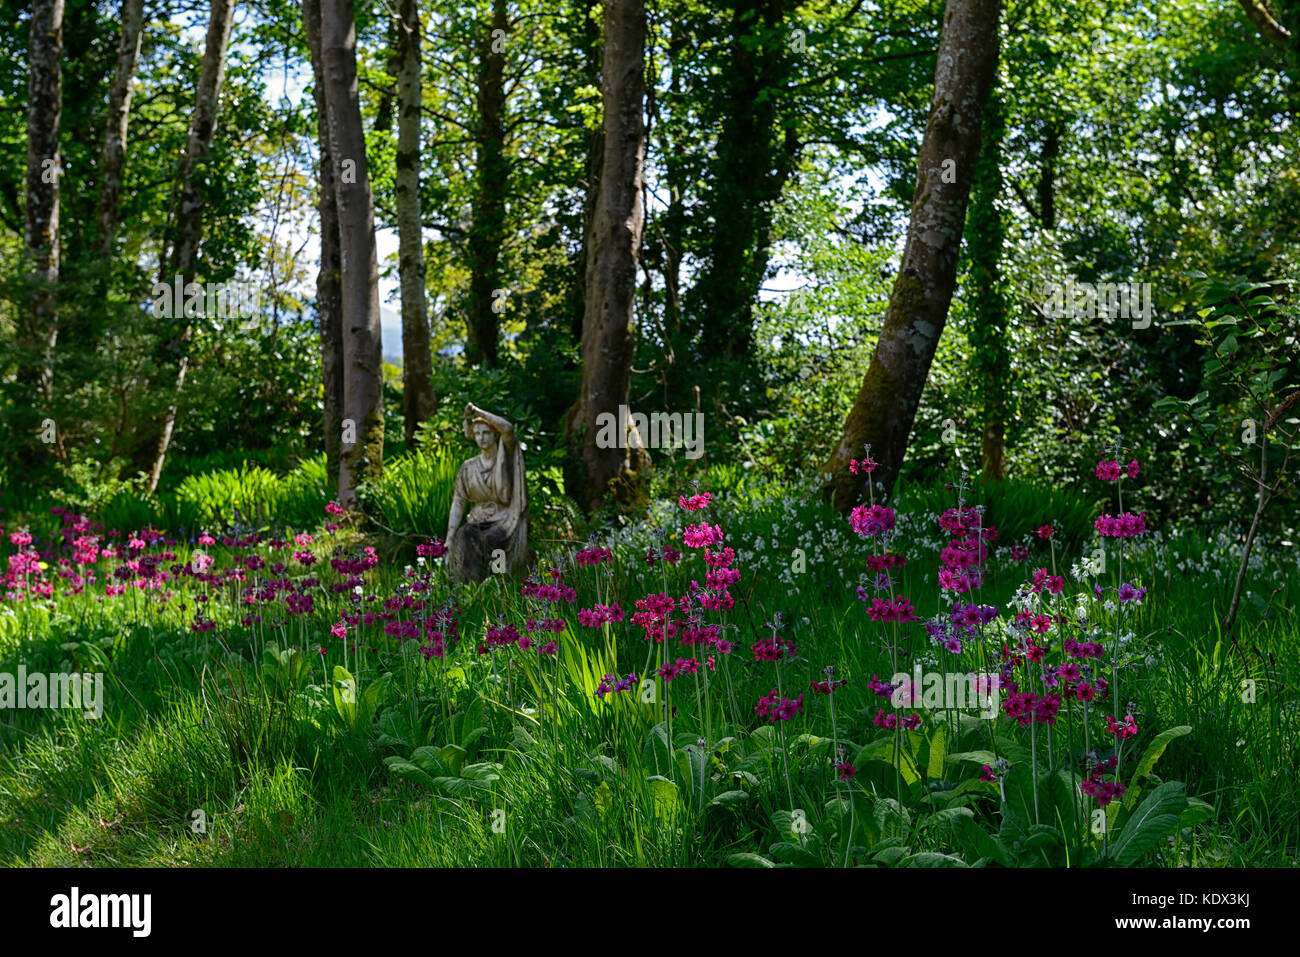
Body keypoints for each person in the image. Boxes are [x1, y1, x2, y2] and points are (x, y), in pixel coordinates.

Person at [446, 403, 528, 582]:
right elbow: (458, 502)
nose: (481, 438)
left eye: (486, 432)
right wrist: (449, 539)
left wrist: (478, 412)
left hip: (504, 521)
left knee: (488, 538)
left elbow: (508, 429)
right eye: (477, 433)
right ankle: (470, 591)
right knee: (464, 535)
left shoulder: (504, 456)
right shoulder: (468, 467)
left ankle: (496, 589)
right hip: (476, 521)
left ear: (494, 434)